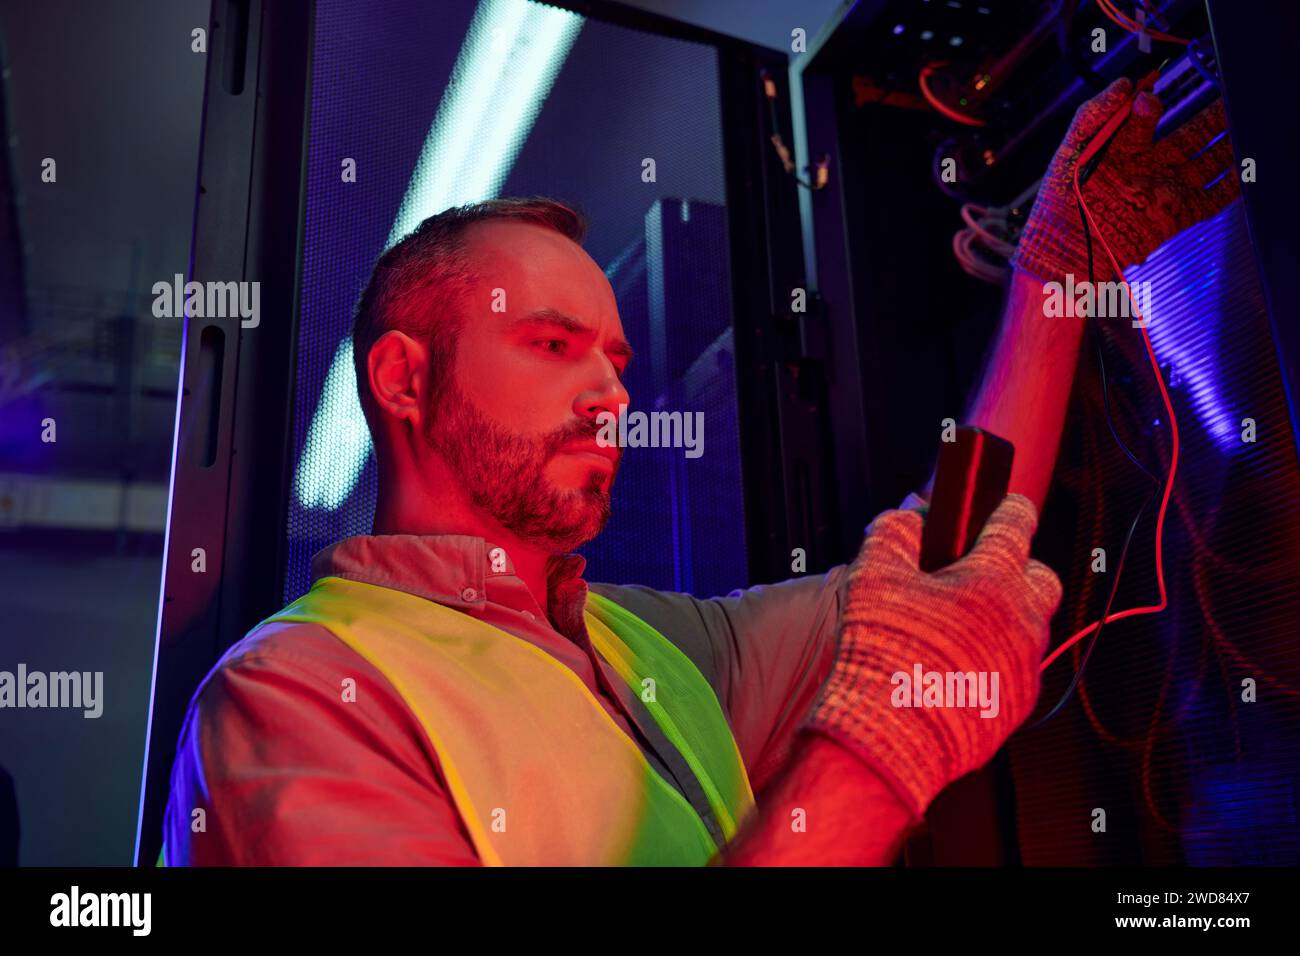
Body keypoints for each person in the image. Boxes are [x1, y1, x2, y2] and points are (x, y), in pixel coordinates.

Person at [161, 78, 1237, 866]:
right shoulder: (291, 695)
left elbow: (944, 558)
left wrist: (1054, 274)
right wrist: (870, 757)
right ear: (402, 377)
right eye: (550, 345)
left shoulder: (652, 649)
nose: (613, 396)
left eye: (617, 361)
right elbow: (890, 703)